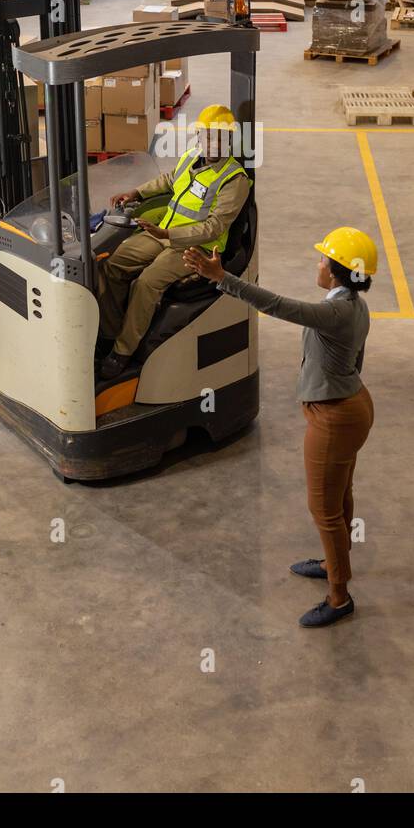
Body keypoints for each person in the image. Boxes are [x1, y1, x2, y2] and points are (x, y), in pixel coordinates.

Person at [183, 227, 377, 629]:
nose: (318, 263)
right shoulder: (356, 306)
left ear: (338, 272)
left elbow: (278, 306)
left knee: (323, 508)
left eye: (324, 259)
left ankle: (339, 596)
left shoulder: (333, 312)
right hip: (353, 404)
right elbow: (357, 360)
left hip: (335, 415)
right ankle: (333, 563)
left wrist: (223, 279)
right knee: (340, 495)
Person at [96, 105, 251, 380]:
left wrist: (168, 235)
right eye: (208, 136)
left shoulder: (234, 179)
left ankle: (122, 351)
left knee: (147, 282)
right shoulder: (192, 157)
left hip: (197, 247)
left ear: (229, 141)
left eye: (220, 137)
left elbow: (215, 227)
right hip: (164, 232)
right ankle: (111, 333)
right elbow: (169, 180)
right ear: (199, 137)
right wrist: (136, 192)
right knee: (112, 265)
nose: (213, 143)